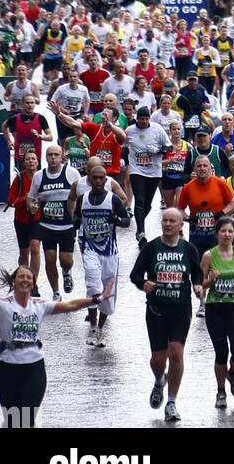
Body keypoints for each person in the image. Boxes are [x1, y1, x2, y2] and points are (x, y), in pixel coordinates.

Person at [0, 264, 110, 429]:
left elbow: (70, 306)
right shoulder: (3, 305)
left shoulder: (39, 304)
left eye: (29, 277)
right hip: (8, 367)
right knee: (13, 421)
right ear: (14, 281)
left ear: (33, 283)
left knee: (28, 420)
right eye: (21, 277)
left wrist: (96, 299)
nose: (25, 280)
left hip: (33, 368)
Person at [129, 207, 204, 423]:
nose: (167, 224)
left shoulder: (188, 249)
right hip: (156, 309)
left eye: (172, 221)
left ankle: (171, 402)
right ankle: (159, 381)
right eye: (165, 221)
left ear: (181, 225)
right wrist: (144, 284)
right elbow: (135, 274)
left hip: (180, 309)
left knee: (177, 353)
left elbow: (197, 271)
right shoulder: (152, 247)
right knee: (157, 359)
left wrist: (198, 285)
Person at [73, 158, 130, 346]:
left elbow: (126, 221)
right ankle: (92, 325)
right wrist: (74, 225)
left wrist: (116, 220)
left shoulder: (112, 199)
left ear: (106, 180)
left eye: (102, 178)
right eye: (95, 178)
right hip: (90, 249)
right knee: (92, 286)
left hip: (109, 252)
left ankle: (100, 329)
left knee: (108, 290)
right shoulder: (83, 199)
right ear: (89, 178)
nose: (98, 181)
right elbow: (75, 218)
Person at [200, 216, 234, 408]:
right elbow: (201, 285)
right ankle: (220, 392)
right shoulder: (209, 256)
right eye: (223, 231)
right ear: (217, 233)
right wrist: (209, 280)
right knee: (221, 353)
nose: (227, 234)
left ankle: (233, 374)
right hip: (216, 309)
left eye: (230, 231)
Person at [27, 143, 80, 302]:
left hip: (67, 225)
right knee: (50, 259)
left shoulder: (71, 173)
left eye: (56, 155)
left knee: (65, 260)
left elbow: (81, 194)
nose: (53, 158)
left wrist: (78, 214)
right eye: (50, 155)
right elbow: (31, 197)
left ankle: (66, 272)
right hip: (47, 225)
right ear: (46, 158)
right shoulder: (39, 176)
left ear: (62, 156)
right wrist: (32, 206)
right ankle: (56, 292)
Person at [124, 105, 172, 244]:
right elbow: (123, 145)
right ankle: (141, 232)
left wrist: (158, 150)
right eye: (141, 119)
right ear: (137, 119)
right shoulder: (130, 130)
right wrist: (123, 158)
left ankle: (140, 223)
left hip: (154, 171)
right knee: (139, 200)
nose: (144, 122)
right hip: (136, 169)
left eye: (146, 119)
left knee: (147, 205)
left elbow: (169, 147)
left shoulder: (157, 129)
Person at [5, 149, 42, 287]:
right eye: (28, 159)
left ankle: (34, 283)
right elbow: (10, 200)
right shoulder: (19, 179)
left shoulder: (42, 177)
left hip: (37, 218)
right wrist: (24, 199)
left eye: (33, 159)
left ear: (38, 162)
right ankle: (24, 279)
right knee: (24, 253)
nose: (31, 161)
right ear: (24, 163)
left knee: (35, 247)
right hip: (21, 219)